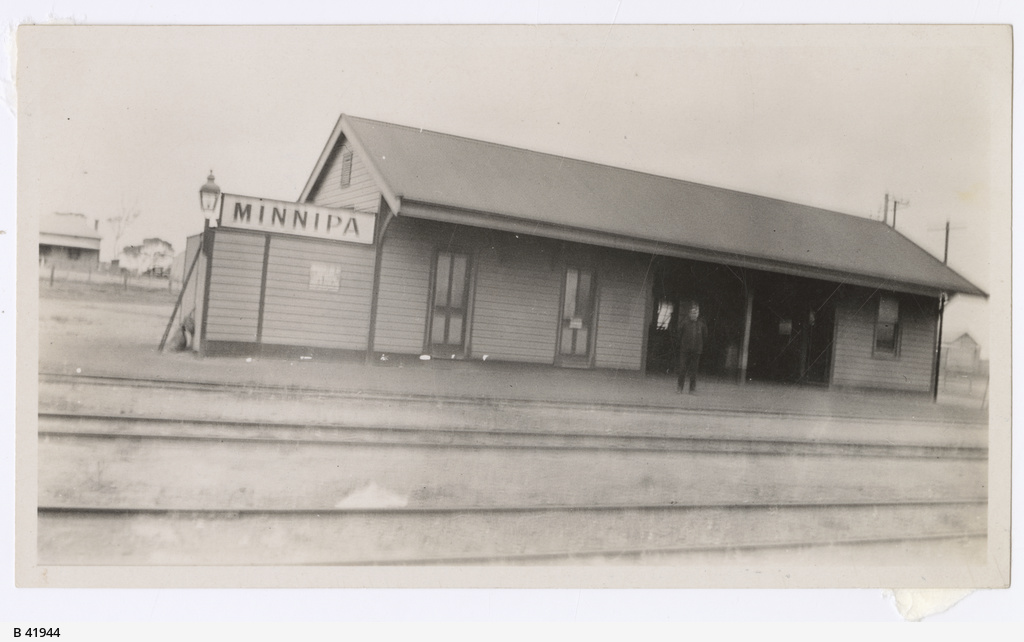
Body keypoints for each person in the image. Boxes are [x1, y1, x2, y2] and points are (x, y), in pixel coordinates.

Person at [677, 303, 708, 393]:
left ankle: (692, 389)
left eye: (696, 313)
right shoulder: (684, 322)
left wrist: (700, 346)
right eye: (692, 312)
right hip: (685, 350)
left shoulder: (701, 324)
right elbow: (679, 334)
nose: (694, 314)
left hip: (696, 351)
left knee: (693, 370)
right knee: (682, 368)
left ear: (698, 314)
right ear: (689, 313)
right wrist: (682, 344)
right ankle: (679, 387)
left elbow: (705, 336)